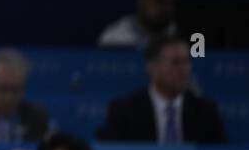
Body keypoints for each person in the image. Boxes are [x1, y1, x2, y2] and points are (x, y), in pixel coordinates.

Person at [97, 34, 227, 143]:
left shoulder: (205, 112)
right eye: (175, 62)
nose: (184, 70)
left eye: (187, 62)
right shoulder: (125, 111)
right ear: (151, 67)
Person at [98, 0, 179, 49]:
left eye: (170, 2)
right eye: (159, 0)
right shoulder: (116, 38)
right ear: (141, 0)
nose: (165, 8)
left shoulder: (180, 38)